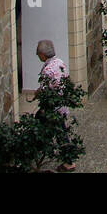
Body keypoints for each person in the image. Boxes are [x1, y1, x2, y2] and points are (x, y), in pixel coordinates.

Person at [35, 39, 75, 170]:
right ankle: (40, 148)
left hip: (53, 108)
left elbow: (45, 91)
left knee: (60, 133)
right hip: (61, 105)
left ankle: (68, 162)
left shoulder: (47, 70)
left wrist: (38, 93)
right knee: (44, 123)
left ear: (42, 55)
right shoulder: (60, 62)